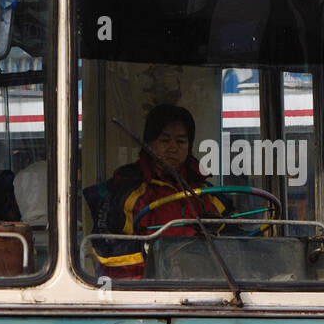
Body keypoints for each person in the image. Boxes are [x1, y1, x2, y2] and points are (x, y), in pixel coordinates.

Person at [85, 104, 228, 280]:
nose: (173, 148)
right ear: (150, 143)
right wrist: (158, 259)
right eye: (165, 140)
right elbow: (107, 248)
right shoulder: (126, 190)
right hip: (146, 293)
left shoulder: (207, 193)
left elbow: (234, 241)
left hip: (206, 289)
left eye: (181, 141)